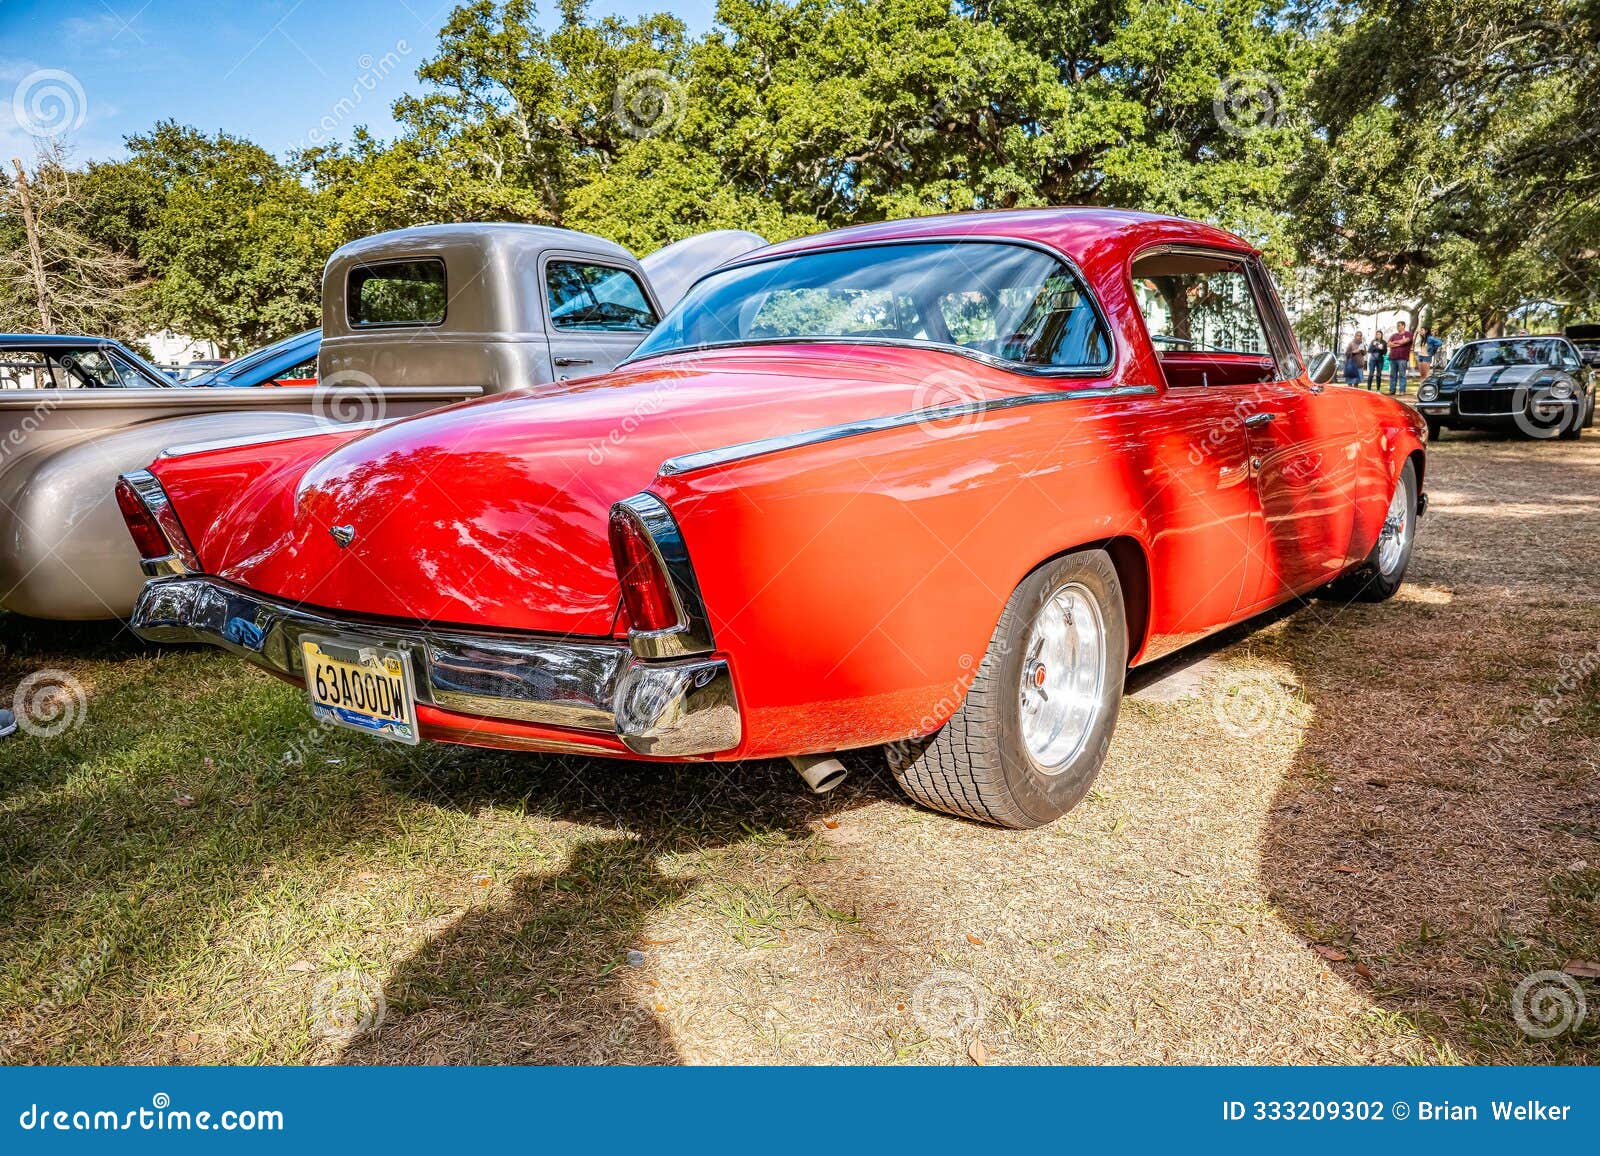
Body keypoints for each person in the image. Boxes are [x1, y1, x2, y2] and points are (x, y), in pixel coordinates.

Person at [1387, 320, 1415, 394]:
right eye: (1397, 326)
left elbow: (1405, 341)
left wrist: (1394, 342)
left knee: (1402, 375)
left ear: (1403, 326)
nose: (1397, 327)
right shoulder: (1394, 335)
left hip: (1402, 358)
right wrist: (1400, 343)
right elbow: (1389, 344)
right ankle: (1392, 390)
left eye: (1399, 325)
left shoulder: (1408, 334)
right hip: (1393, 358)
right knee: (1392, 375)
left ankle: (1402, 391)